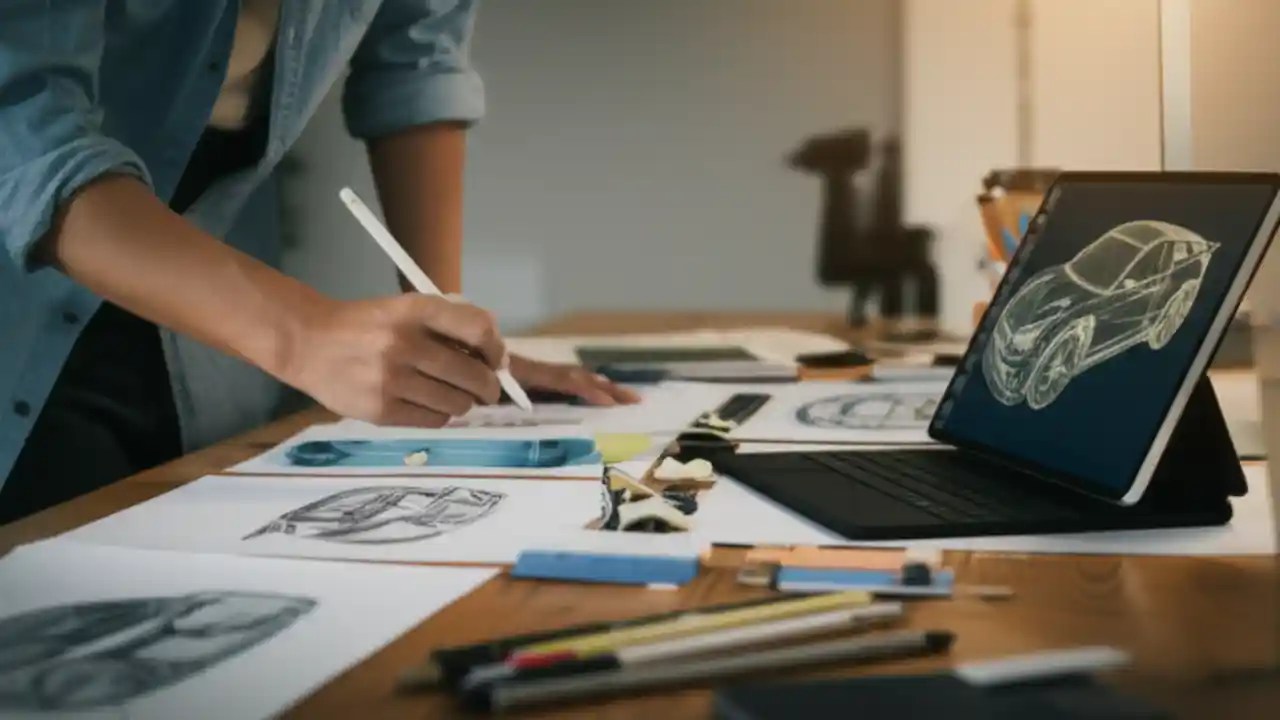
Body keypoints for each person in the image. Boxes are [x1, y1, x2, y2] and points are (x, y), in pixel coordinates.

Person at [0, 1, 638, 524]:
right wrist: (304, 334)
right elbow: (25, 134)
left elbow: (416, 61)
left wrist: (449, 342)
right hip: (25, 306)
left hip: (212, 332)